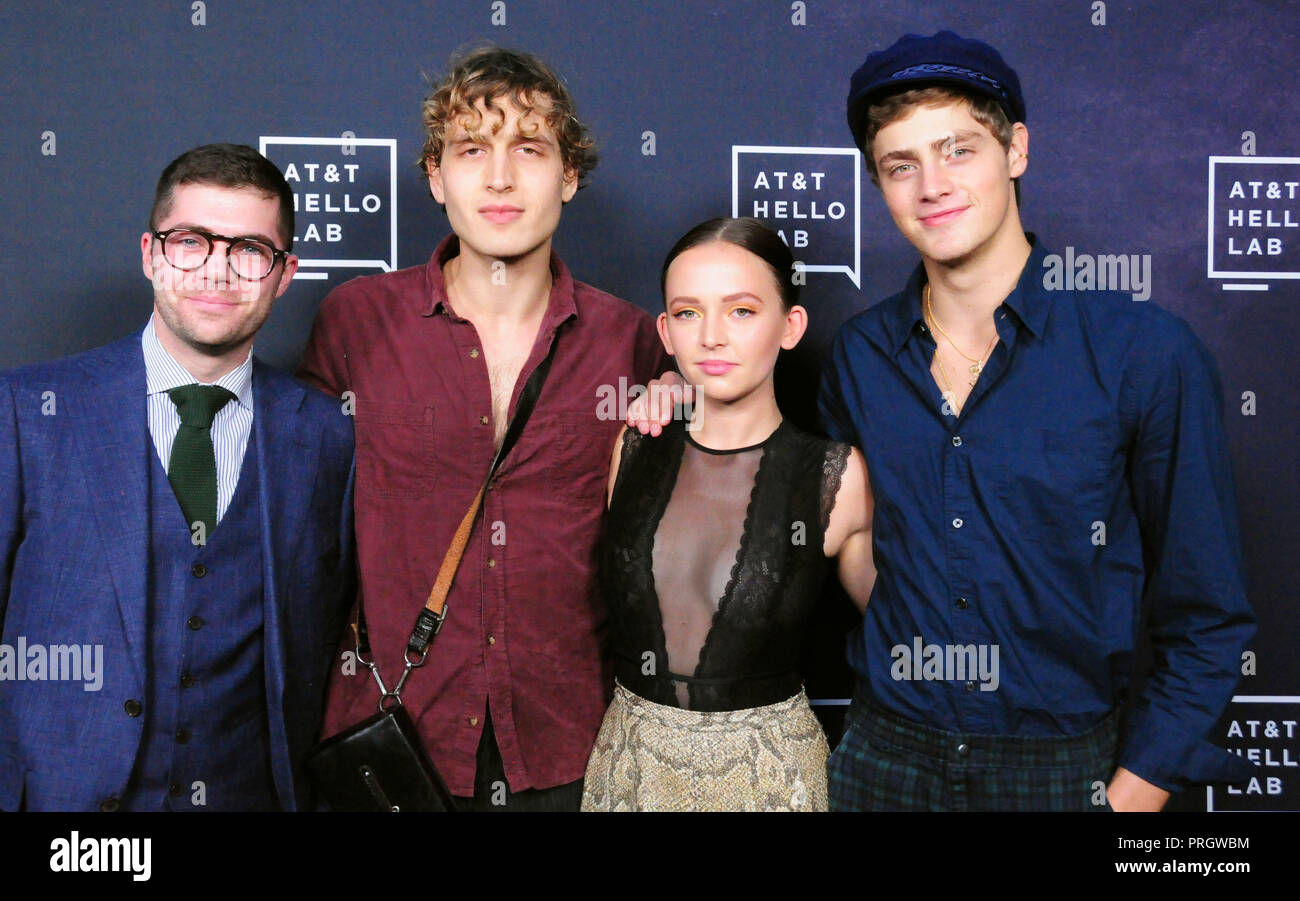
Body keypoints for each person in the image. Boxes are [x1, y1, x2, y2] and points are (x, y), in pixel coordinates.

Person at [816, 30, 1255, 810]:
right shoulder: (858, 356)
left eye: (958, 150)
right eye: (901, 165)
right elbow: (860, 542)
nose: (931, 186)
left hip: (1062, 768)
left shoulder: (1144, 352)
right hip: (883, 758)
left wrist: (1130, 796)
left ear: (1016, 149)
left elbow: (1208, 614)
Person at [298, 46, 675, 811]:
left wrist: (690, 391)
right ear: (436, 176)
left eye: (529, 150)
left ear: (569, 176)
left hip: (569, 745)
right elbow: (296, 518)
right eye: (472, 150)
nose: (500, 178)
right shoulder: (356, 322)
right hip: (393, 737)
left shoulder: (630, 339)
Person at [0, 143, 356, 811]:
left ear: (286, 274)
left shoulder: (328, 436)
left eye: (249, 249)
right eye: (191, 241)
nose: (218, 272)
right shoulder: (28, 412)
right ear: (150, 254)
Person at [581, 217, 874, 812]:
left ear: (790, 327)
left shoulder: (835, 478)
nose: (712, 336)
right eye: (689, 313)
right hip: (628, 774)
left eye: (741, 311)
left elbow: (905, 629)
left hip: (770, 783)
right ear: (665, 330)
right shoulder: (632, 447)